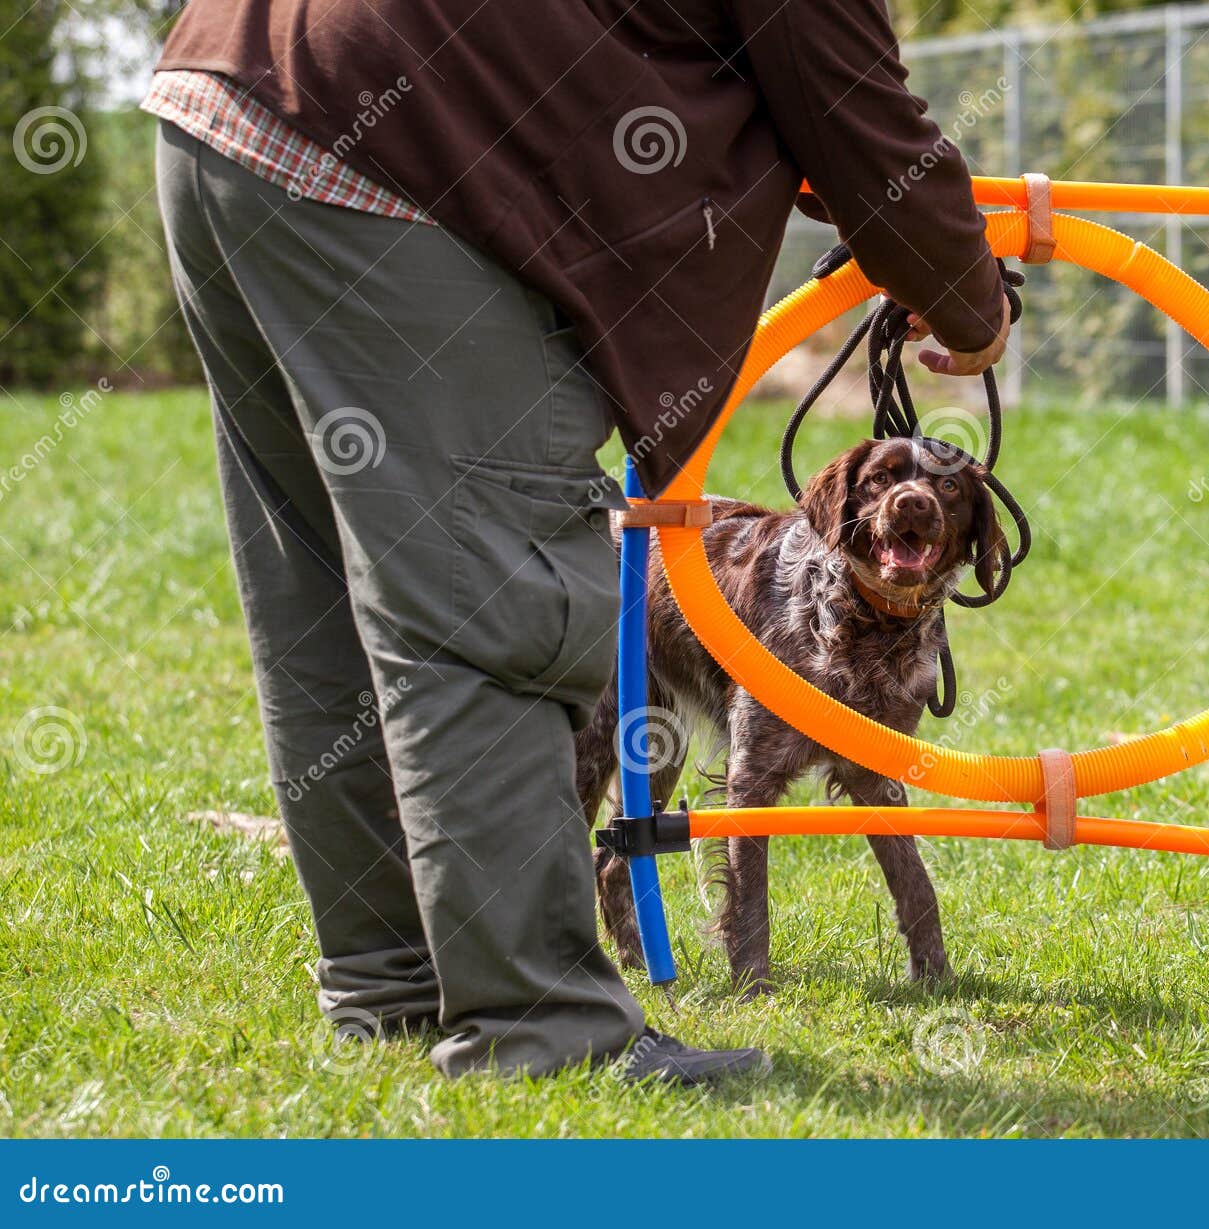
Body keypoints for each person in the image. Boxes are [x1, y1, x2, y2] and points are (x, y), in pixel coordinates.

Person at [147, 0, 1010, 1083]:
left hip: (227, 104)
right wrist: (968, 301)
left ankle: (395, 988)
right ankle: (540, 1030)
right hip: (392, 165)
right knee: (496, 597)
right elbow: (854, 113)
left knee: (317, 596)